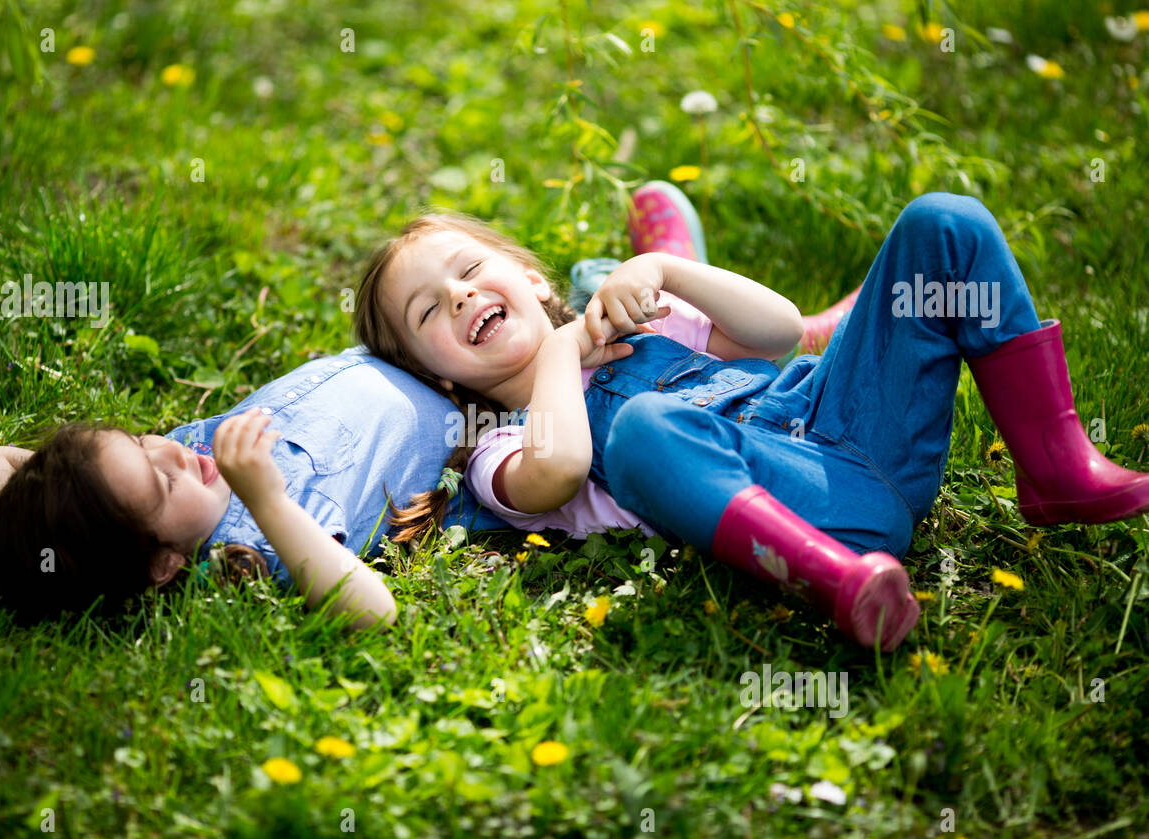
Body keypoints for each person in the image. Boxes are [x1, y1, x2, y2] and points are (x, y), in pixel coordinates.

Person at [353, 186, 1149, 651]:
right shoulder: (499, 448)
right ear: (435, 373)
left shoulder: (640, 320)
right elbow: (560, 470)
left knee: (944, 221)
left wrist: (665, 270)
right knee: (643, 429)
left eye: (467, 271)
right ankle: (838, 585)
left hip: (855, 426)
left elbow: (776, 330)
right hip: (808, 511)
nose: (458, 296)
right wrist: (561, 357)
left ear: (525, 275)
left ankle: (1055, 465)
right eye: (429, 311)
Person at [0, 348, 511, 629]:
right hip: (486, 421)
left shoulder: (175, 466)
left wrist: (38, 521)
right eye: (160, 481)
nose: (174, 451)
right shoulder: (262, 543)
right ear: (163, 564)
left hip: (419, 357)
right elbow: (375, 612)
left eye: (140, 441)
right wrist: (268, 499)